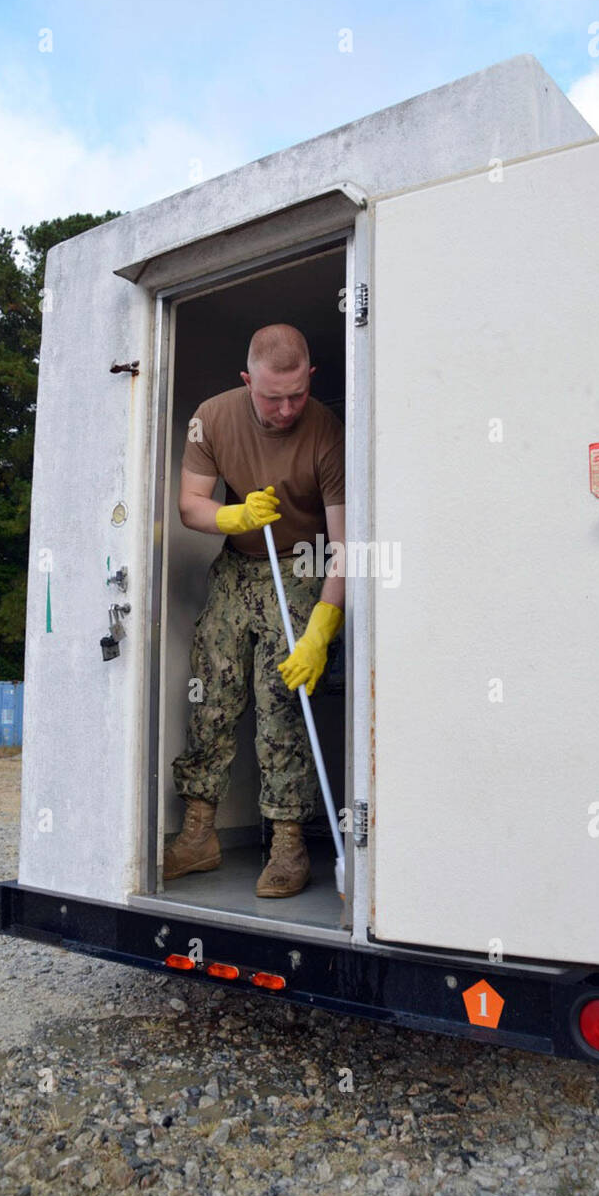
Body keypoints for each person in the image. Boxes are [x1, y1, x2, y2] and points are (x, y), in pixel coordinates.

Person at [167, 323, 345, 897]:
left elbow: (345, 544)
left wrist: (323, 624)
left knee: (281, 696)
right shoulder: (212, 418)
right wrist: (232, 517)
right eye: (273, 396)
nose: (287, 408)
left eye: (297, 394)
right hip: (239, 560)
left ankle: (289, 844)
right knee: (211, 691)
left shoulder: (326, 431)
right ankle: (198, 836)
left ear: (309, 378)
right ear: (248, 382)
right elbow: (189, 505)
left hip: (302, 563)